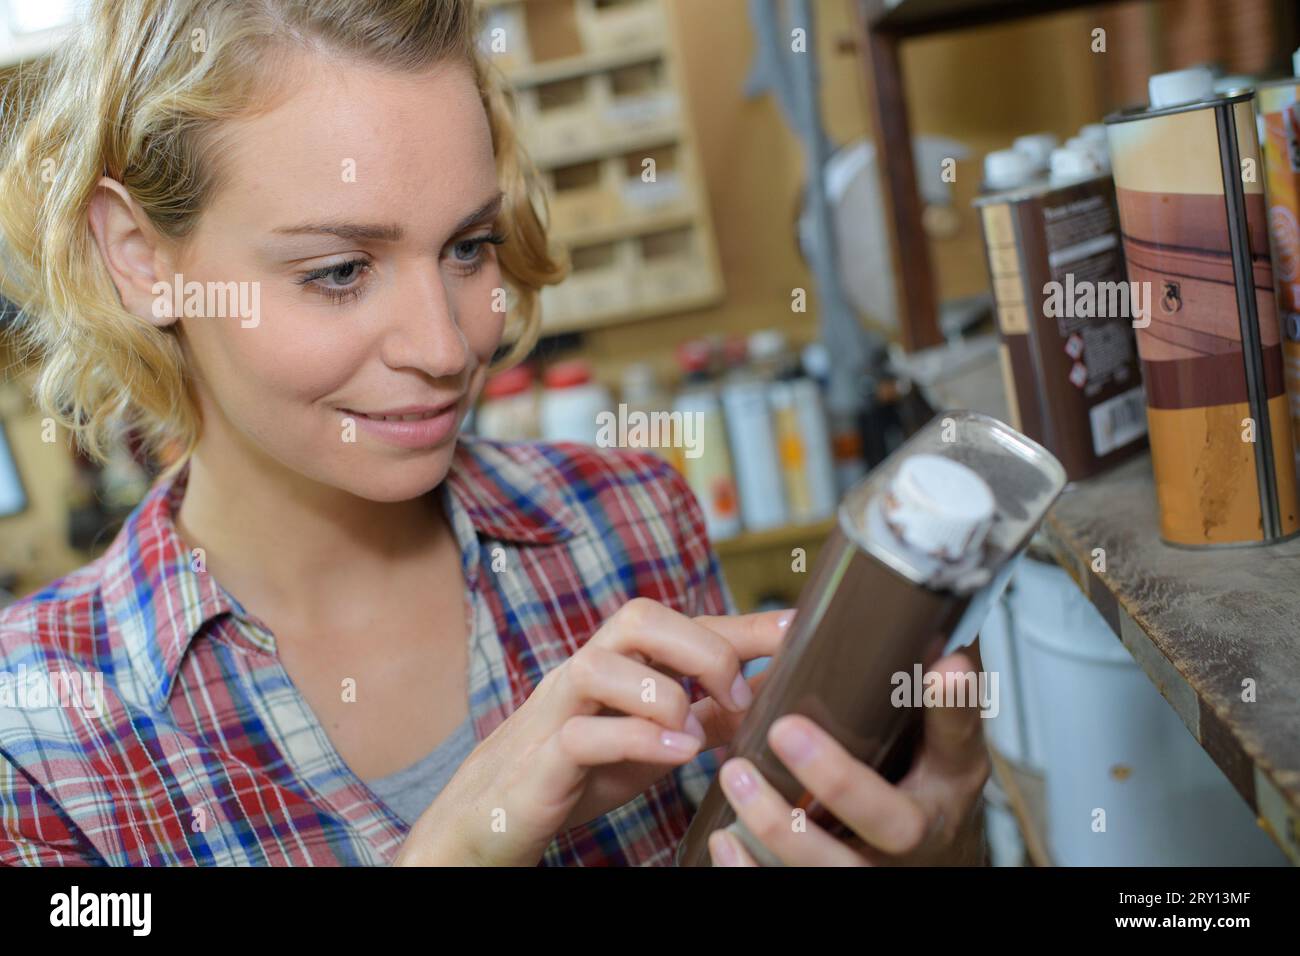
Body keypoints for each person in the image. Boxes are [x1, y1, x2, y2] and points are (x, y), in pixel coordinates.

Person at [0, 0, 988, 866]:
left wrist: (933, 853)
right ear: (139, 255)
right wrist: (456, 846)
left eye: (467, 247)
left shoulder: (630, 520)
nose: (448, 344)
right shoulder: (38, 730)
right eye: (340, 269)